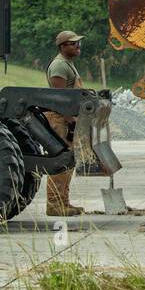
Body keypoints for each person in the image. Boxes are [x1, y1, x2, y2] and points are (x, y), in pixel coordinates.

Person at [44, 30, 85, 216]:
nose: (78, 46)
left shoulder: (68, 65)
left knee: (68, 163)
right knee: (60, 162)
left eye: (78, 43)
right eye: (72, 43)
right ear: (62, 46)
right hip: (61, 119)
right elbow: (60, 99)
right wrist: (70, 122)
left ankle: (63, 202)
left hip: (68, 119)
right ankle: (54, 205)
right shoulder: (59, 66)